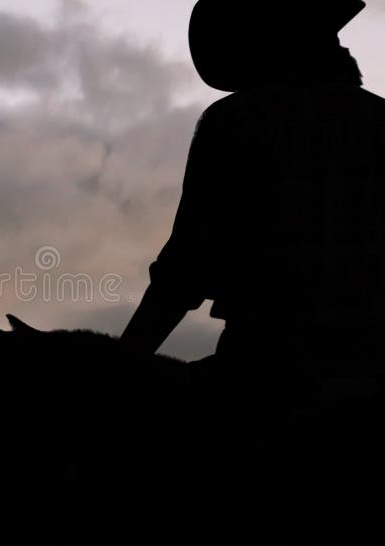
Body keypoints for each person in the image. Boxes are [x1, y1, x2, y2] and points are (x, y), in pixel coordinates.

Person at [121, 0, 385, 534]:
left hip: (268, 381)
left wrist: (122, 365)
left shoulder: (236, 122)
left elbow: (185, 268)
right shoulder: (381, 122)